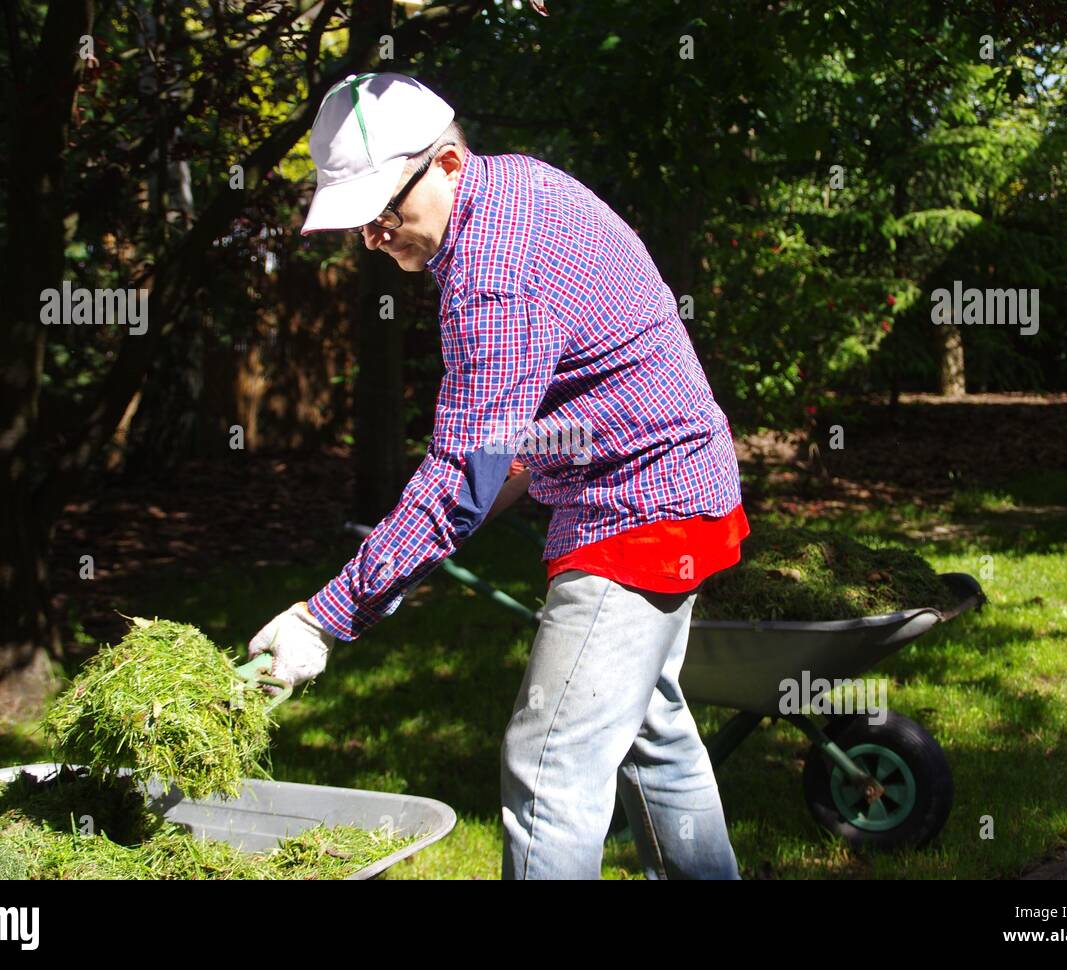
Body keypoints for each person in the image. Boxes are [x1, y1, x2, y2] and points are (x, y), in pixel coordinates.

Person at [250, 72, 749, 880]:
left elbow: (460, 474)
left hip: (640, 512)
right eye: (360, 222)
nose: (373, 237)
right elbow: (526, 426)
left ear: (445, 164)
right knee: (652, 738)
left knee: (549, 767)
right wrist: (482, 485)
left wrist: (326, 617)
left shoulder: (492, 271)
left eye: (384, 210)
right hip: (683, 486)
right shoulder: (515, 187)